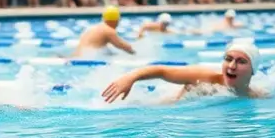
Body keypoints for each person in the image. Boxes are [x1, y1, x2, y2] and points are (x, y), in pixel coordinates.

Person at [102, 41, 264, 103]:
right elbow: (161, 71)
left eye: (241, 61)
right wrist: (131, 77)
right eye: (228, 59)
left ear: (253, 70)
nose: (232, 66)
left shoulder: (257, 96)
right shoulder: (206, 78)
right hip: (167, 106)